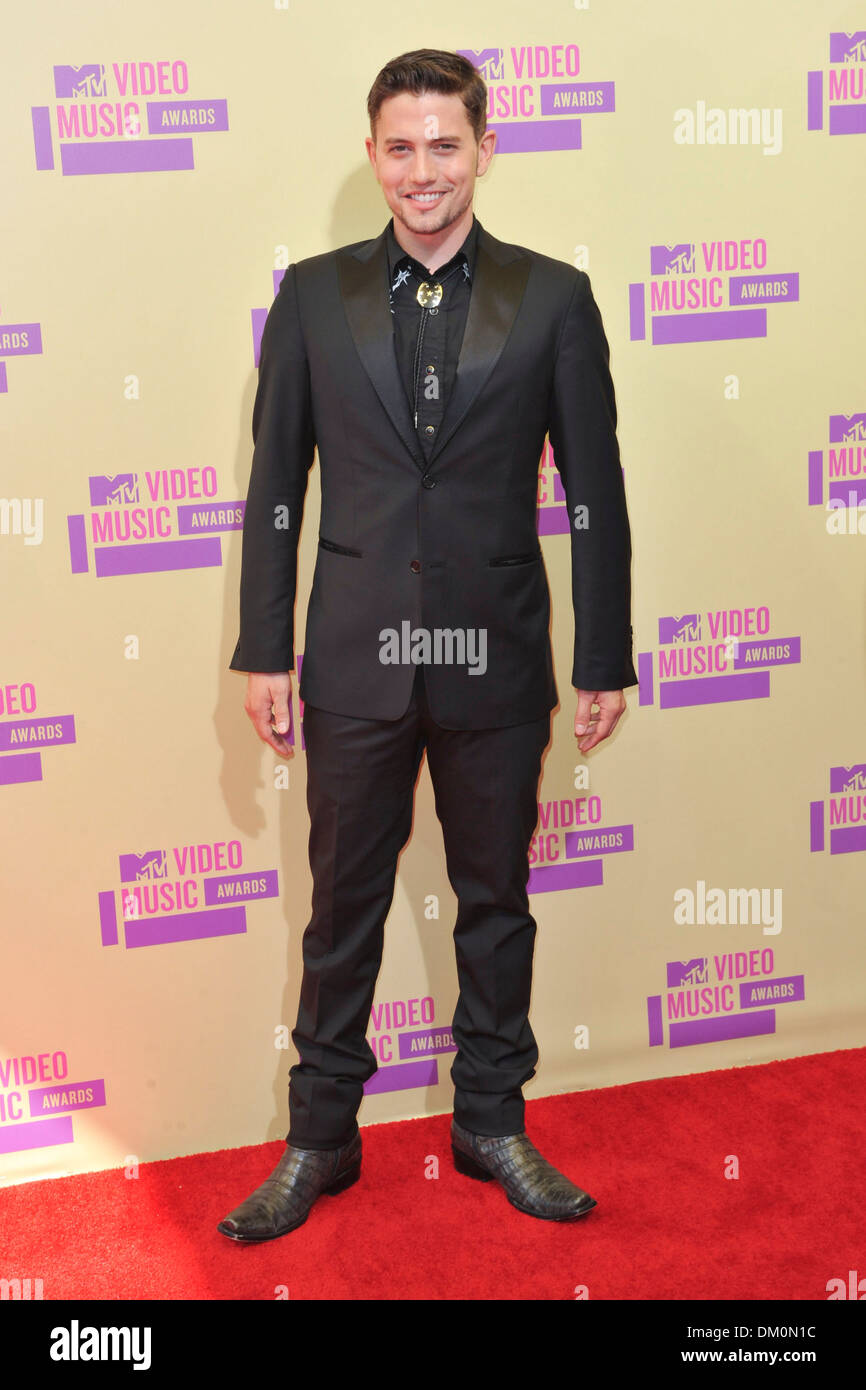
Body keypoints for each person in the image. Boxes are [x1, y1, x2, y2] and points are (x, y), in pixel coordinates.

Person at [218, 48, 637, 1242]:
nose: (421, 171)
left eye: (443, 144)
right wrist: (264, 647)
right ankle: (319, 1140)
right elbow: (274, 489)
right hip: (352, 653)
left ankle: (490, 1121)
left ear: (484, 149)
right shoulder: (310, 296)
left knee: (494, 901)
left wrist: (599, 653)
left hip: (495, 655)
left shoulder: (553, 298)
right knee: (340, 904)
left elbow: (593, 492)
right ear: (372, 156)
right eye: (398, 147)